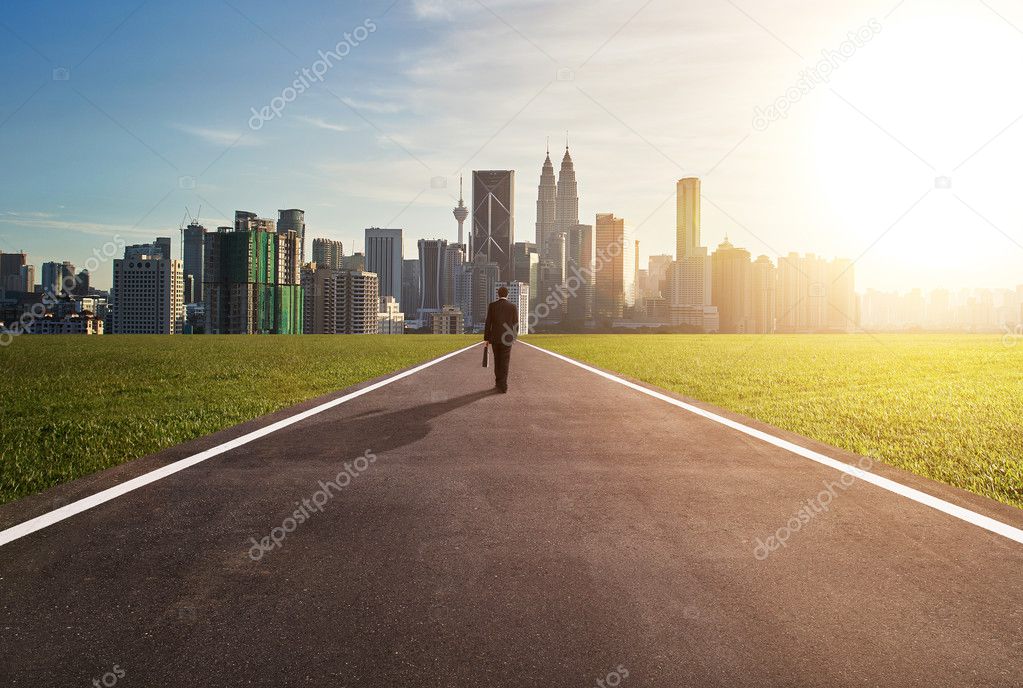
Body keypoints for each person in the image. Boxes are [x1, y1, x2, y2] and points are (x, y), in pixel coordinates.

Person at [483, 286, 519, 393]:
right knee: (505, 362)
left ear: (498, 294)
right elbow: (515, 324)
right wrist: (514, 337)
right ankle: (503, 386)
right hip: (507, 339)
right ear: (507, 295)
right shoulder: (512, 306)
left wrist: (486, 338)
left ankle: (498, 383)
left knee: (497, 360)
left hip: (495, 338)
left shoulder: (492, 306)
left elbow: (488, 323)